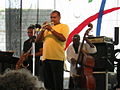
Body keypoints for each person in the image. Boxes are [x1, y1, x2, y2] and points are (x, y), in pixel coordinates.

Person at [36, 10, 69, 90]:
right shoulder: (47, 29)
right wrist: (43, 30)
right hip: (46, 58)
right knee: (48, 83)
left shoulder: (64, 26)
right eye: (51, 17)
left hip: (57, 58)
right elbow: (37, 40)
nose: (52, 19)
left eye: (54, 17)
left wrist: (51, 30)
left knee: (57, 83)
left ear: (59, 17)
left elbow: (62, 38)